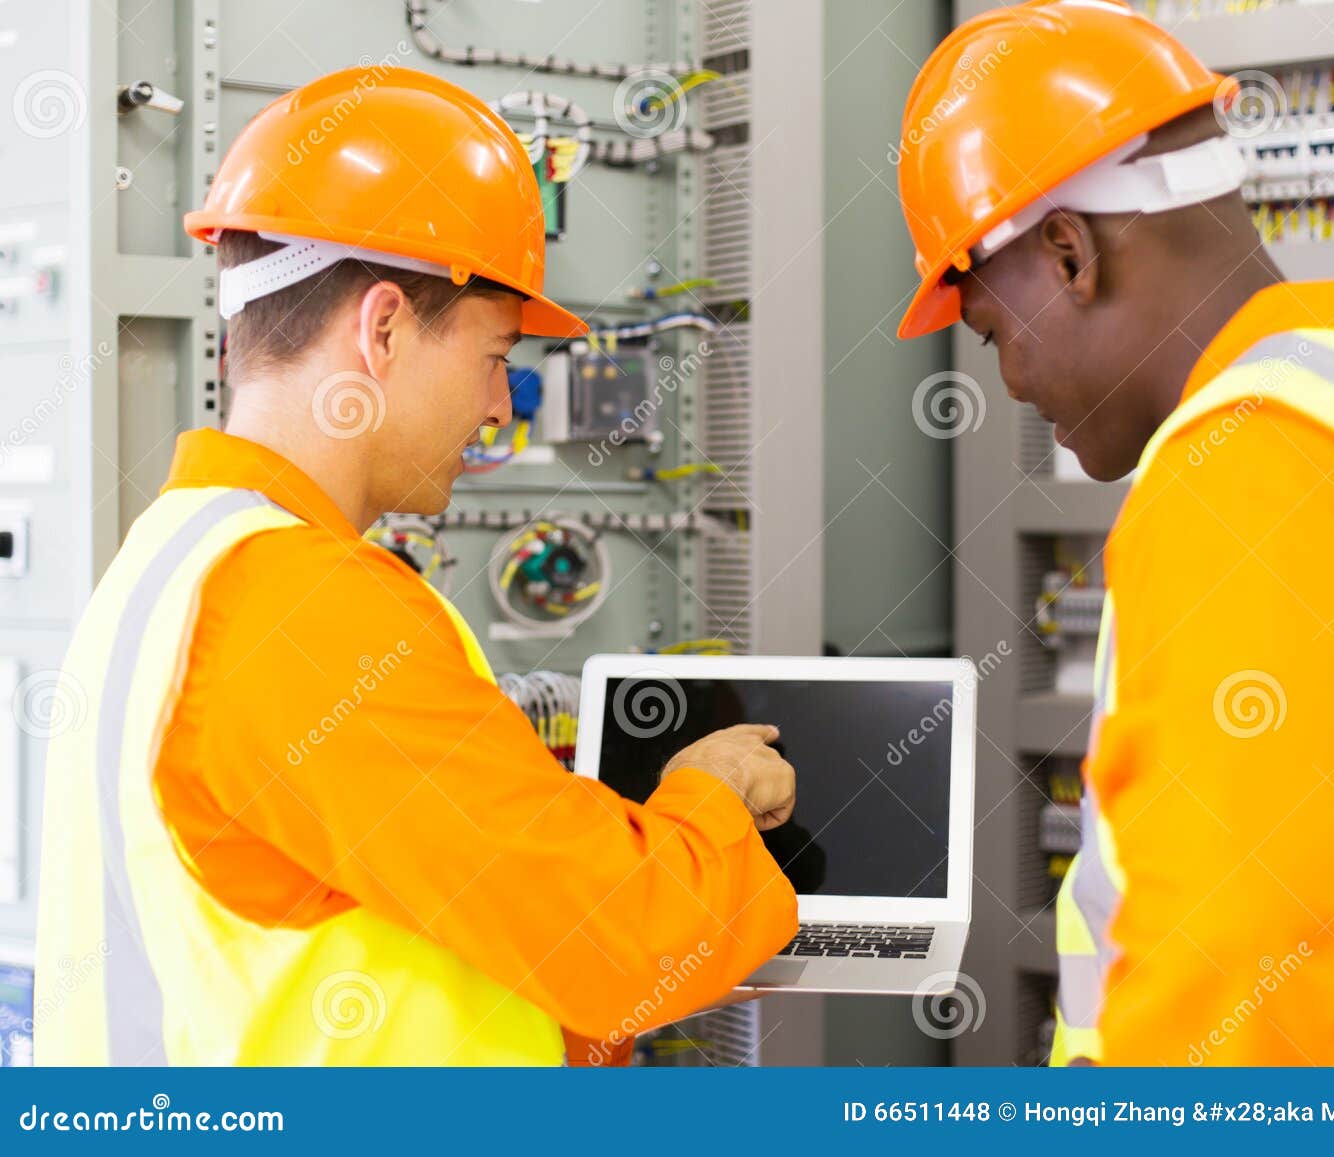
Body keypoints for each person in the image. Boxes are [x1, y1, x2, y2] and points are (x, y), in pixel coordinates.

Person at [33, 66, 797, 1066]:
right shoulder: (305, 607)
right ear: (383, 326)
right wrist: (711, 793)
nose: (500, 407)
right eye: (497, 356)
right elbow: (629, 940)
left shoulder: (174, 556)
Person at [895, 0, 1334, 1065]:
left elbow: (1222, 981)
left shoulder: (1250, 469)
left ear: (1070, 254)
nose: (1014, 383)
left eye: (995, 334)